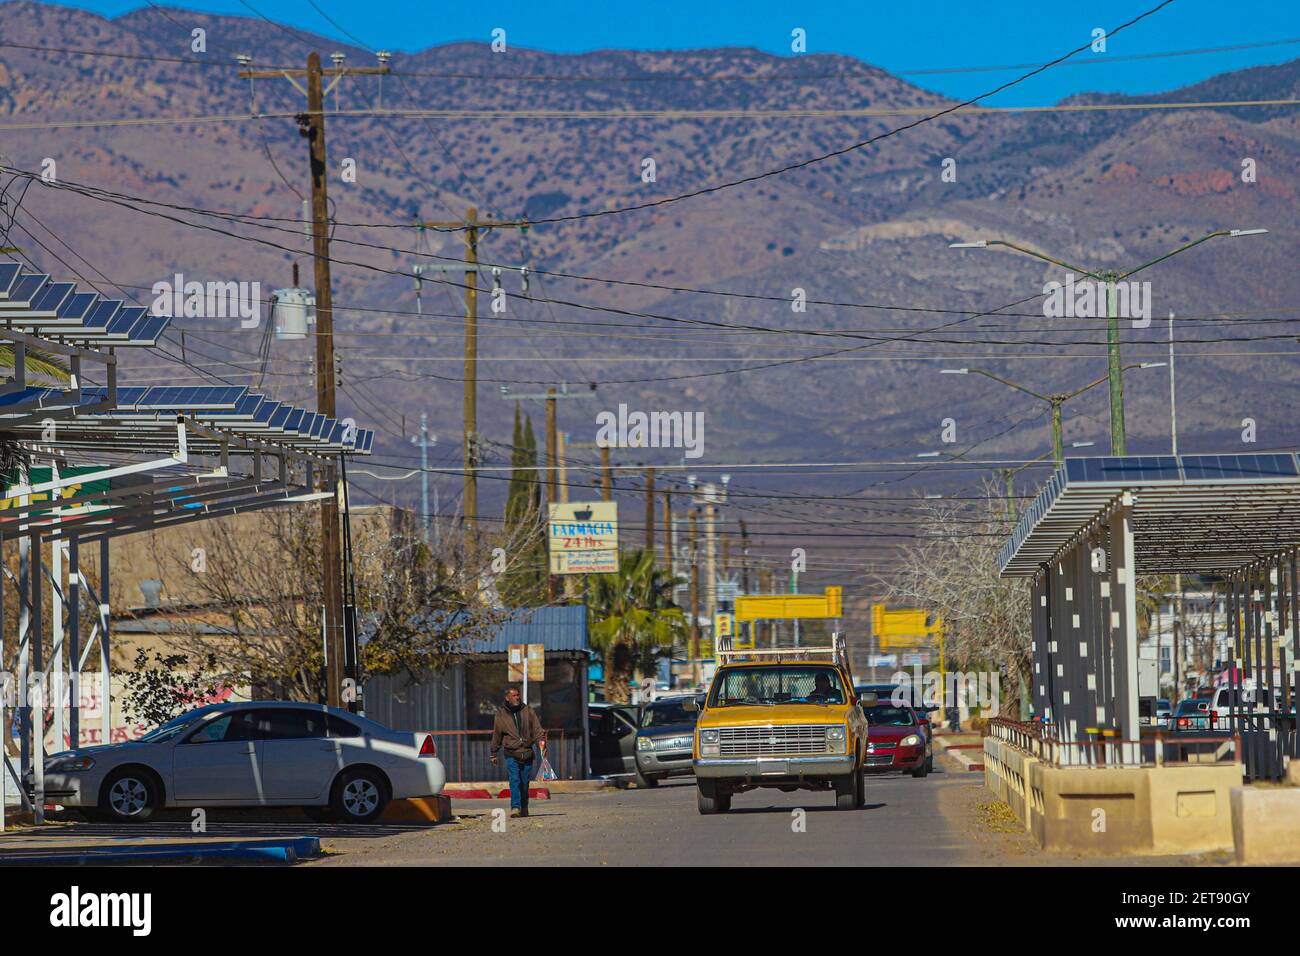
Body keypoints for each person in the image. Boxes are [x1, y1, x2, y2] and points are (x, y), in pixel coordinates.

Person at [490, 687, 547, 817]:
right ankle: (515, 807)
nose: (517, 697)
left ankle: (524, 806)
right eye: (514, 695)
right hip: (511, 753)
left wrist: (542, 747)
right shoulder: (501, 715)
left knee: (524, 783)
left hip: (527, 752)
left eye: (518, 695)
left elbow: (538, 730)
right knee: (514, 780)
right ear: (507, 698)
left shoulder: (528, 711)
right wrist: (493, 753)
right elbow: (497, 735)